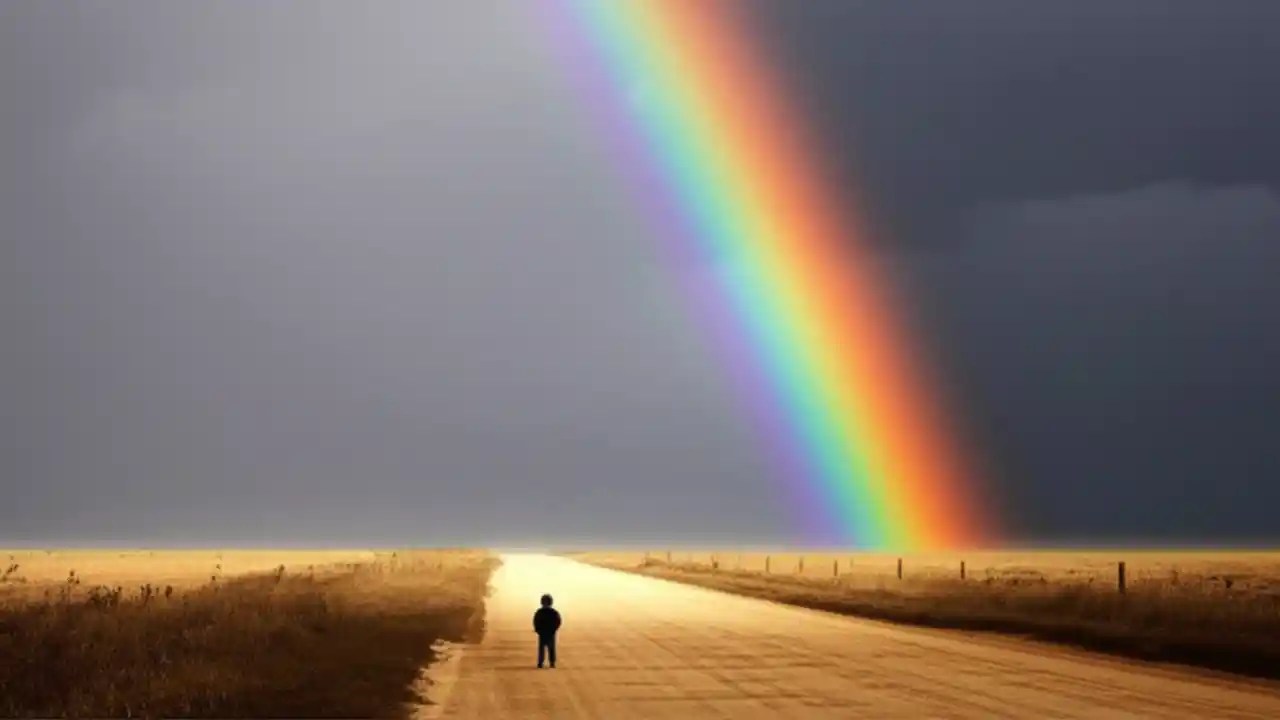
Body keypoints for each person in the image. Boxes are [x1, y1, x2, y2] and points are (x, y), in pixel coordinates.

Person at [532, 593, 561, 668]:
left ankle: (542, 662)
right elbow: (558, 621)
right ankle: (549, 662)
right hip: (549, 633)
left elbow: (535, 621)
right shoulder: (553, 612)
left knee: (544, 648)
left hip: (544, 632)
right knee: (550, 648)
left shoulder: (540, 612)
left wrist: (537, 629)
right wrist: (554, 629)